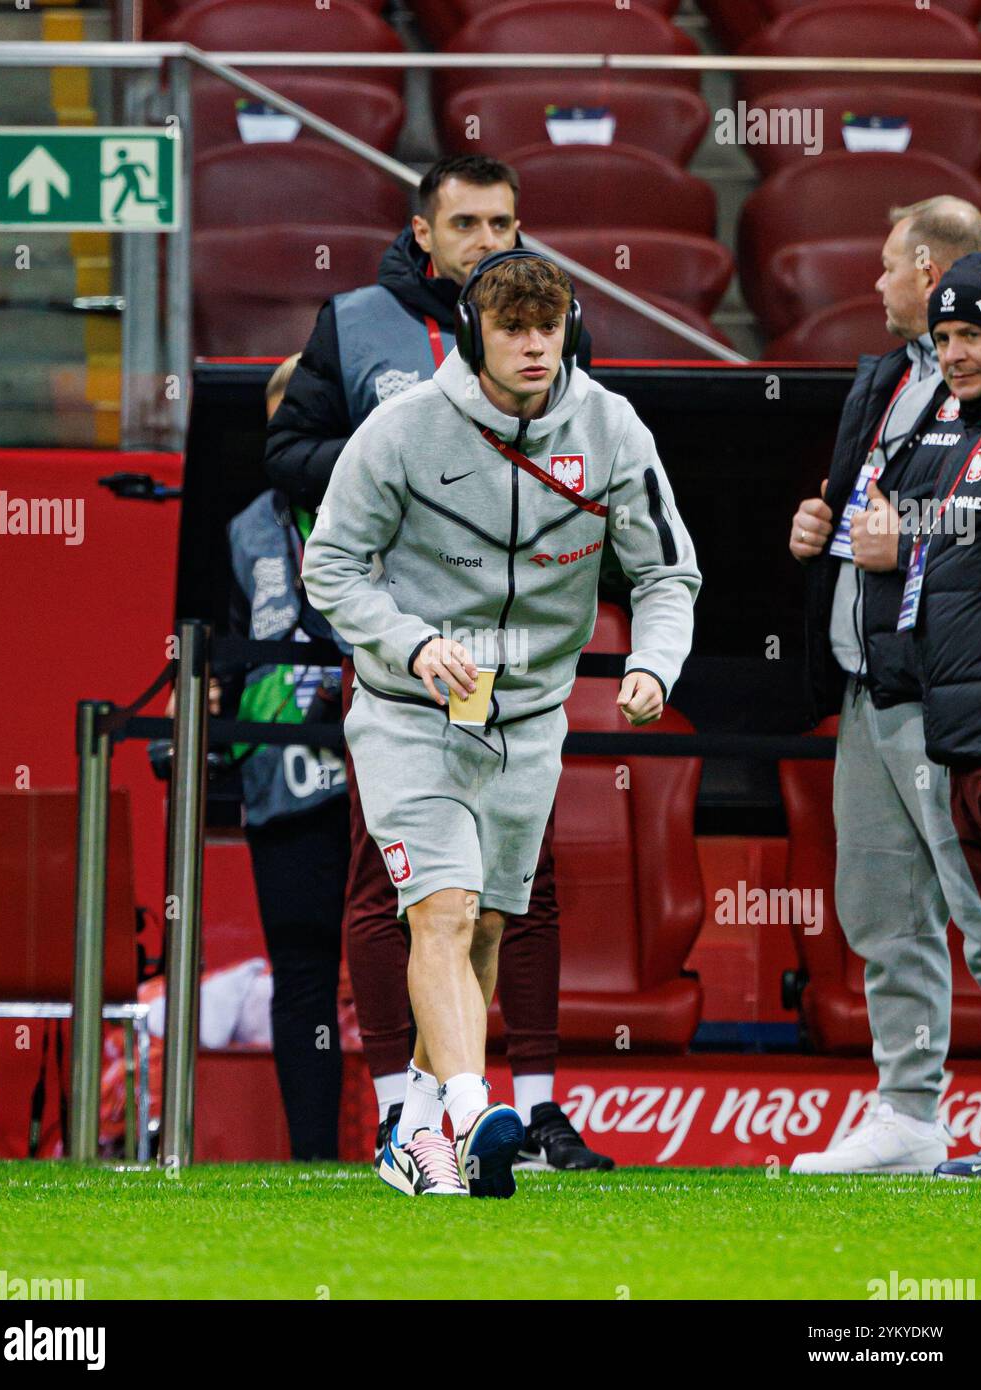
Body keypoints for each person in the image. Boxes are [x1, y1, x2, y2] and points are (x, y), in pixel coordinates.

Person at [301, 250, 700, 1196]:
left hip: (530, 716)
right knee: (437, 909)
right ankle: (478, 1110)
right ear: (477, 334)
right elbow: (332, 566)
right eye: (514, 328)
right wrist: (406, 644)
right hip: (408, 710)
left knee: (484, 923)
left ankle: (421, 1132)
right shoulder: (400, 430)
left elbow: (665, 572)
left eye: (548, 327)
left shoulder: (611, 427)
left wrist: (651, 664)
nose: (533, 345)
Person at [266, 154, 611, 1173]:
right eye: (464, 224)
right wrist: (404, 458)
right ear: (422, 232)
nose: (485, 242)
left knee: (515, 883)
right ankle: (400, 1106)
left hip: (518, 639)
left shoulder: (558, 322)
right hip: (402, 646)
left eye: (501, 223)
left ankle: (522, 1108)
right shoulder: (354, 323)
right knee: (401, 885)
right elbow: (287, 454)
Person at [787, 198, 981, 1175]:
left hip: (948, 693)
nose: (874, 285)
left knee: (980, 908)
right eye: (946, 335)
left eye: (884, 266)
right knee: (881, 907)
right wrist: (820, 530)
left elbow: (953, 524)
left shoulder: (977, 389)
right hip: (867, 681)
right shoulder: (886, 382)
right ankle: (908, 1114)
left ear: (926, 262)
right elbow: (870, 513)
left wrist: (903, 537)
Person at [220, 353, 351, 1159]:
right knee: (300, 968)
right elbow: (223, 641)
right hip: (278, 769)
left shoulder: (388, 510)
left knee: (400, 958)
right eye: (281, 411)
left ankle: (415, 1145)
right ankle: (313, 1161)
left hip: (376, 764)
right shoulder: (244, 528)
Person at [903, 251, 981, 1178]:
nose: (955, 355)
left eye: (972, 335)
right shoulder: (953, 429)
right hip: (959, 735)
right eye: (943, 339)